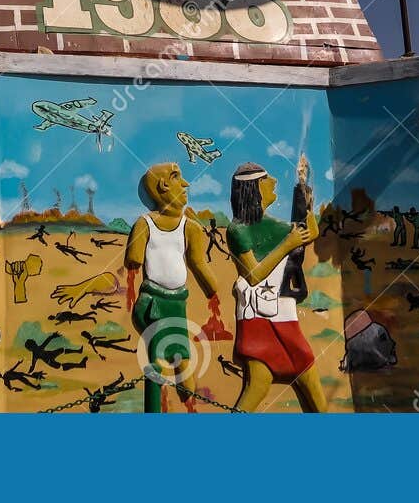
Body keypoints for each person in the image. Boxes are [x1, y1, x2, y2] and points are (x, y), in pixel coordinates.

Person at [226, 162, 325, 412]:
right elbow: (252, 275)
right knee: (258, 385)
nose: (274, 183)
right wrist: (286, 244)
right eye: (267, 180)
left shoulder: (275, 225)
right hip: (258, 317)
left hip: (284, 314)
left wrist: (306, 200)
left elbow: (309, 232)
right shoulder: (238, 230)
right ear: (254, 188)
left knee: (310, 380)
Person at [124, 162, 221, 413]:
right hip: (153, 303)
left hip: (178, 303)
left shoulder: (189, 227)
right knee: (159, 358)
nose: (186, 184)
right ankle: (161, 406)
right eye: (179, 178)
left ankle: (188, 406)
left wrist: (213, 288)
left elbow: (198, 263)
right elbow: (133, 258)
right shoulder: (145, 224)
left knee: (182, 358)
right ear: (164, 186)